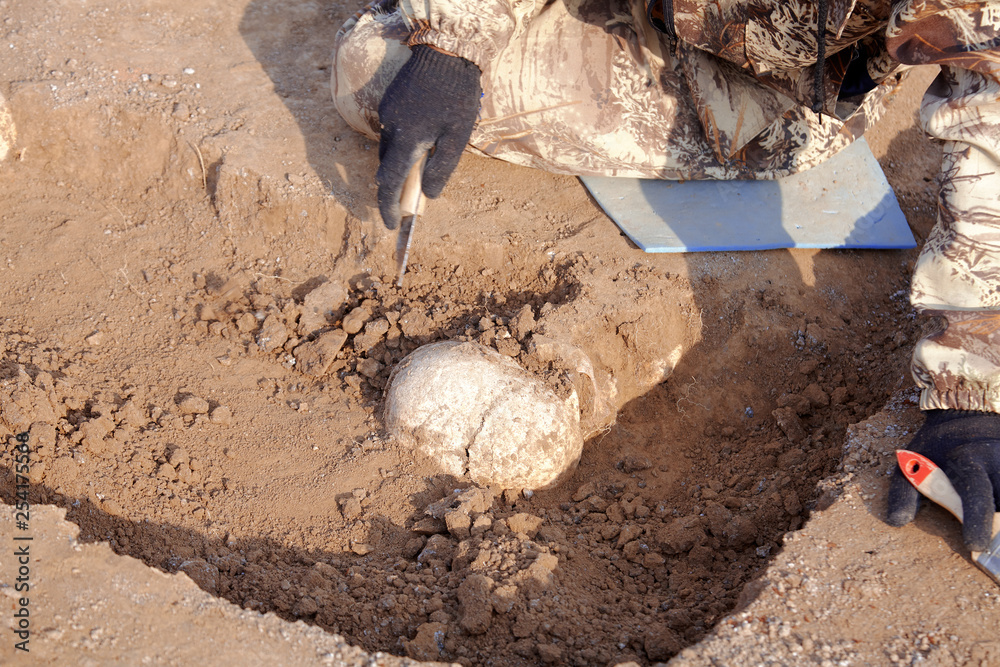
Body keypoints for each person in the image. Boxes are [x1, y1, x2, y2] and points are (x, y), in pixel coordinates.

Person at [331, 0, 1000, 552]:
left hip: (760, 80)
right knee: (397, 60)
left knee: (376, 66)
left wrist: (968, 388)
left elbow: (991, 116)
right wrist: (454, 41)